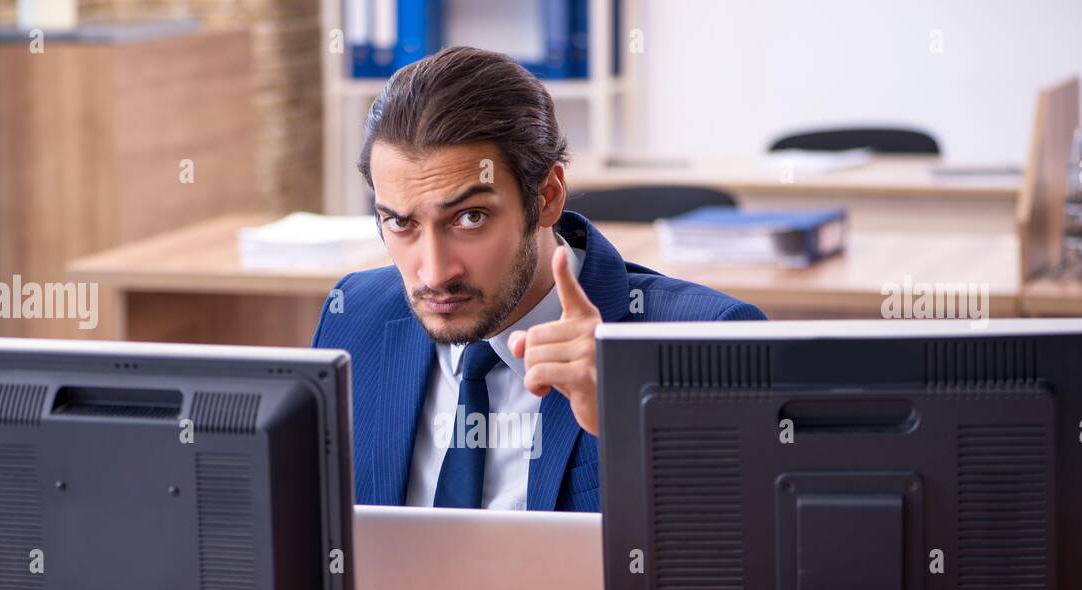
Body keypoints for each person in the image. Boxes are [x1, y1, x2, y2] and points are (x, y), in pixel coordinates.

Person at [313, 46, 767, 512]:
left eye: (470, 218)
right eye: (400, 223)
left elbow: (753, 563)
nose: (434, 271)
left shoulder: (704, 341)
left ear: (547, 197)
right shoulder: (354, 318)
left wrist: (626, 424)